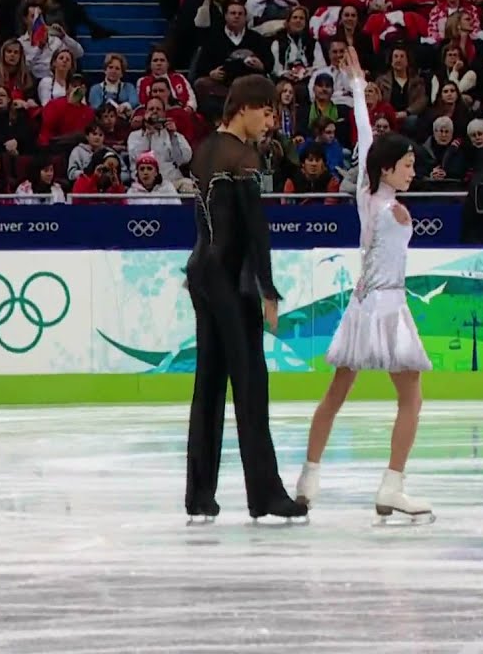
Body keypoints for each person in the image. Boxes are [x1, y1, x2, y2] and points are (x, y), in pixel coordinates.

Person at [295, 47, 434, 524]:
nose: (414, 171)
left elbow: (368, 137)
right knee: (410, 398)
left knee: (338, 394)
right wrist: (354, 91)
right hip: (387, 308)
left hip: (365, 307)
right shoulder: (372, 197)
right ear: (389, 167)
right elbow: (367, 138)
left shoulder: (374, 196)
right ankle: (391, 485)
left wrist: (358, 87)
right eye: (409, 165)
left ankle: (308, 478)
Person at [184, 74, 308, 524]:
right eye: (268, 111)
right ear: (244, 108)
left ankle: (199, 494)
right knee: (251, 385)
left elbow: (207, 224)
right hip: (232, 282)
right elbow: (255, 231)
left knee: (210, 385)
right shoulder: (242, 154)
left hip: (202, 275)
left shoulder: (204, 150)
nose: (271, 121)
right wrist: (267, 289)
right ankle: (266, 494)